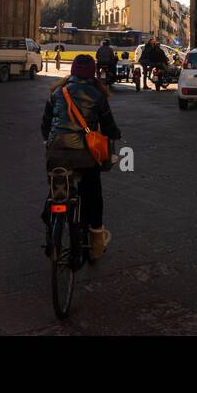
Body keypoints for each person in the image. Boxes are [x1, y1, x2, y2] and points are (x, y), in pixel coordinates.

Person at [42, 54, 122, 260]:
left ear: (73, 71)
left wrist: (48, 141)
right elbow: (109, 128)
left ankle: (50, 216)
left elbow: (45, 125)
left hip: (56, 152)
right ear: (93, 73)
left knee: (57, 185)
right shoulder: (98, 94)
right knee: (93, 191)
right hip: (85, 156)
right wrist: (113, 139)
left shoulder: (58, 92)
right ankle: (96, 238)